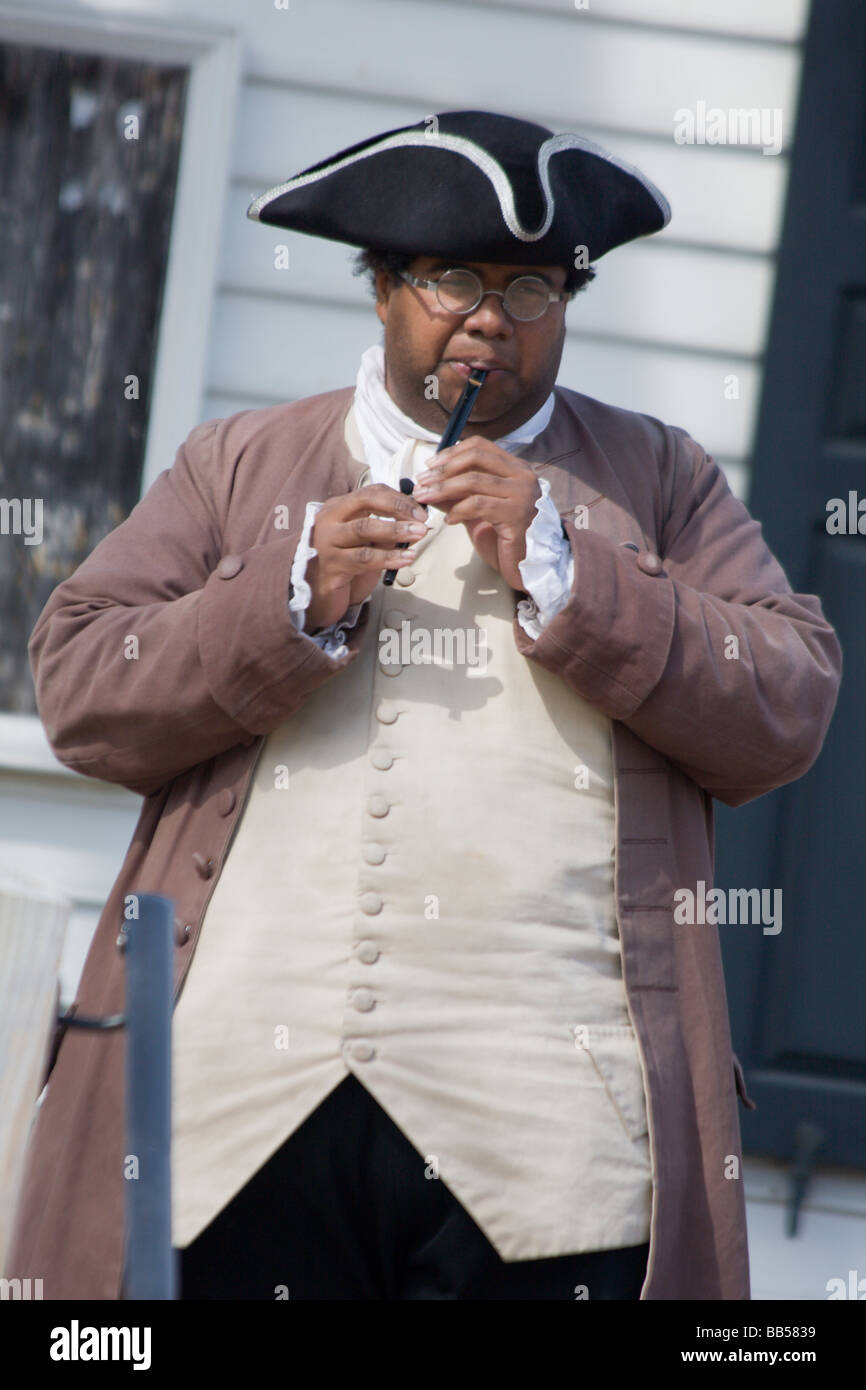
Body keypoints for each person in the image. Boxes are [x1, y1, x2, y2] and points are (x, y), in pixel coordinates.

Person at [8, 111, 841, 1301]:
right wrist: (282, 600)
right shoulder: (234, 465)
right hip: (232, 1123)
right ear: (384, 289)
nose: (491, 316)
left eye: (534, 287)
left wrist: (572, 570)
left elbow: (787, 701)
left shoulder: (658, 480)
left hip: (553, 1142)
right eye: (452, 277)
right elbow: (83, 688)